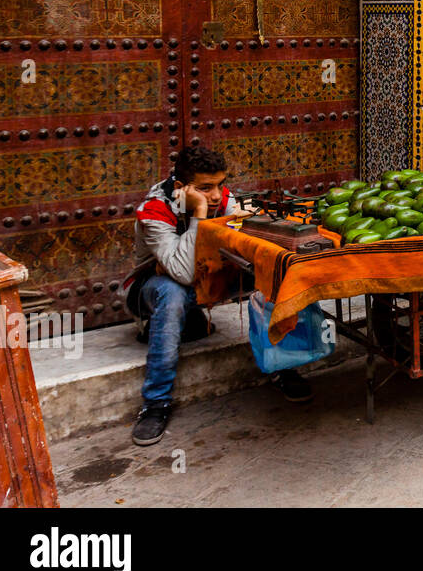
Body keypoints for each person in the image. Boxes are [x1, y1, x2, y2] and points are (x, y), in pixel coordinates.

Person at [126, 146, 313, 446]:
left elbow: (237, 244)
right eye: (205, 189)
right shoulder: (154, 211)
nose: (215, 196)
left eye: (220, 185)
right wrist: (200, 214)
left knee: (270, 272)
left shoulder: (222, 199)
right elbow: (184, 274)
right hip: (152, 290)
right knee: (172, 292)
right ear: (180, 188)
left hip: (208, 279)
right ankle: (155, 403)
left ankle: (282, 366)